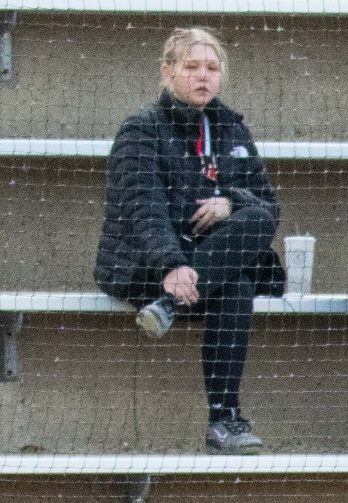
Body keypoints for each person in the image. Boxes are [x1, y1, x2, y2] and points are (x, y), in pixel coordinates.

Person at [95, 27, 282, 454]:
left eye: (212, 68)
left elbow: (268, 206)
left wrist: (230, 202)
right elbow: (144, 209)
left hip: (205, 272)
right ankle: (224, 415)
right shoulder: (141, 129)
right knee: (235, 284)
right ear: (167, 71)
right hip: (148, 270)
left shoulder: (232, 130)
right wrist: (171, 266)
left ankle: (222, 421)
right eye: (191, 66)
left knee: (252, 230)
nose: (203, 76)